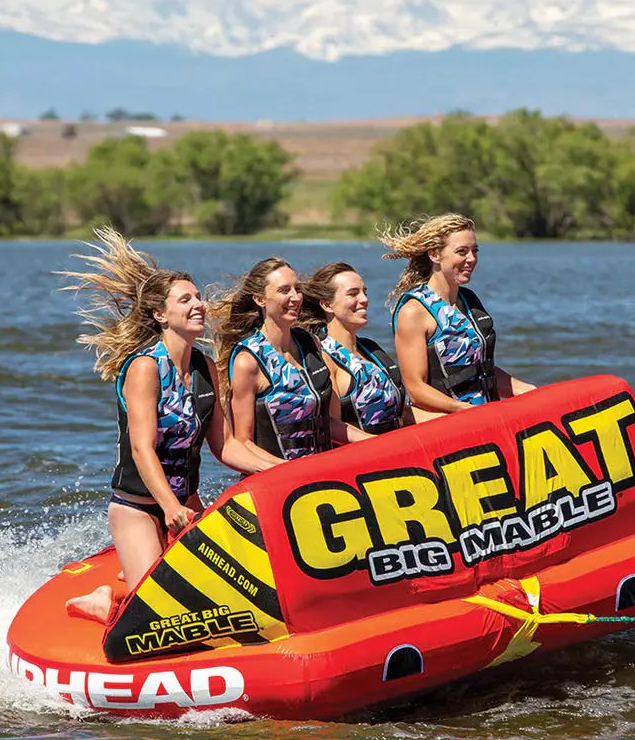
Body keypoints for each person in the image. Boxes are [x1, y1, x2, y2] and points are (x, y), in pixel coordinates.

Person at [58, 228, 268, 624]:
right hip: (139, 507)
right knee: (161, 616)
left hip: (185, 506)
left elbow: (226, 447)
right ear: (160, 315)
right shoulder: (145, 367)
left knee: (225, 598)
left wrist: (279, 471)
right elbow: (142, 449)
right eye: (185, 300)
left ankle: (138, 567)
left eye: (198, 297)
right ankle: (105, 598)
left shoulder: (206, 368)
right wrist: (169, 508)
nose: (198, 305)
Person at [210, 257, 369, 462]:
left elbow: (328, 422)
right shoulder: (248, 361)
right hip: (278, 479)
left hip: (323, 472)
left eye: (297, 289)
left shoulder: (311, 345)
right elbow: (243, 442)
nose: (295, 297)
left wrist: (374, 441)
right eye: (285, 290)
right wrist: (287, 470)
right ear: (260, 299)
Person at [381, 214, 534, 413]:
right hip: (450, 424)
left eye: (474, 251)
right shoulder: (414, 312)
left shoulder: (469, 301)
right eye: (462, 252)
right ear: (435, 254)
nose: (471, 259)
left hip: (486, 415)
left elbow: (483, 372)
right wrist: (463, 410)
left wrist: (528, 391)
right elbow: (416, 390)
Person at [299, 261, 415, 435]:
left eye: (364, 292)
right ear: (327, 304)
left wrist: (457, 416)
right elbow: (331, 425)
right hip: (363, 454)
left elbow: (403, 413)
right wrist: (378, 444)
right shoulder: (322, 357)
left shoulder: (371, 350)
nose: (364, 300)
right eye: (353, 294)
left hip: (395, 447)